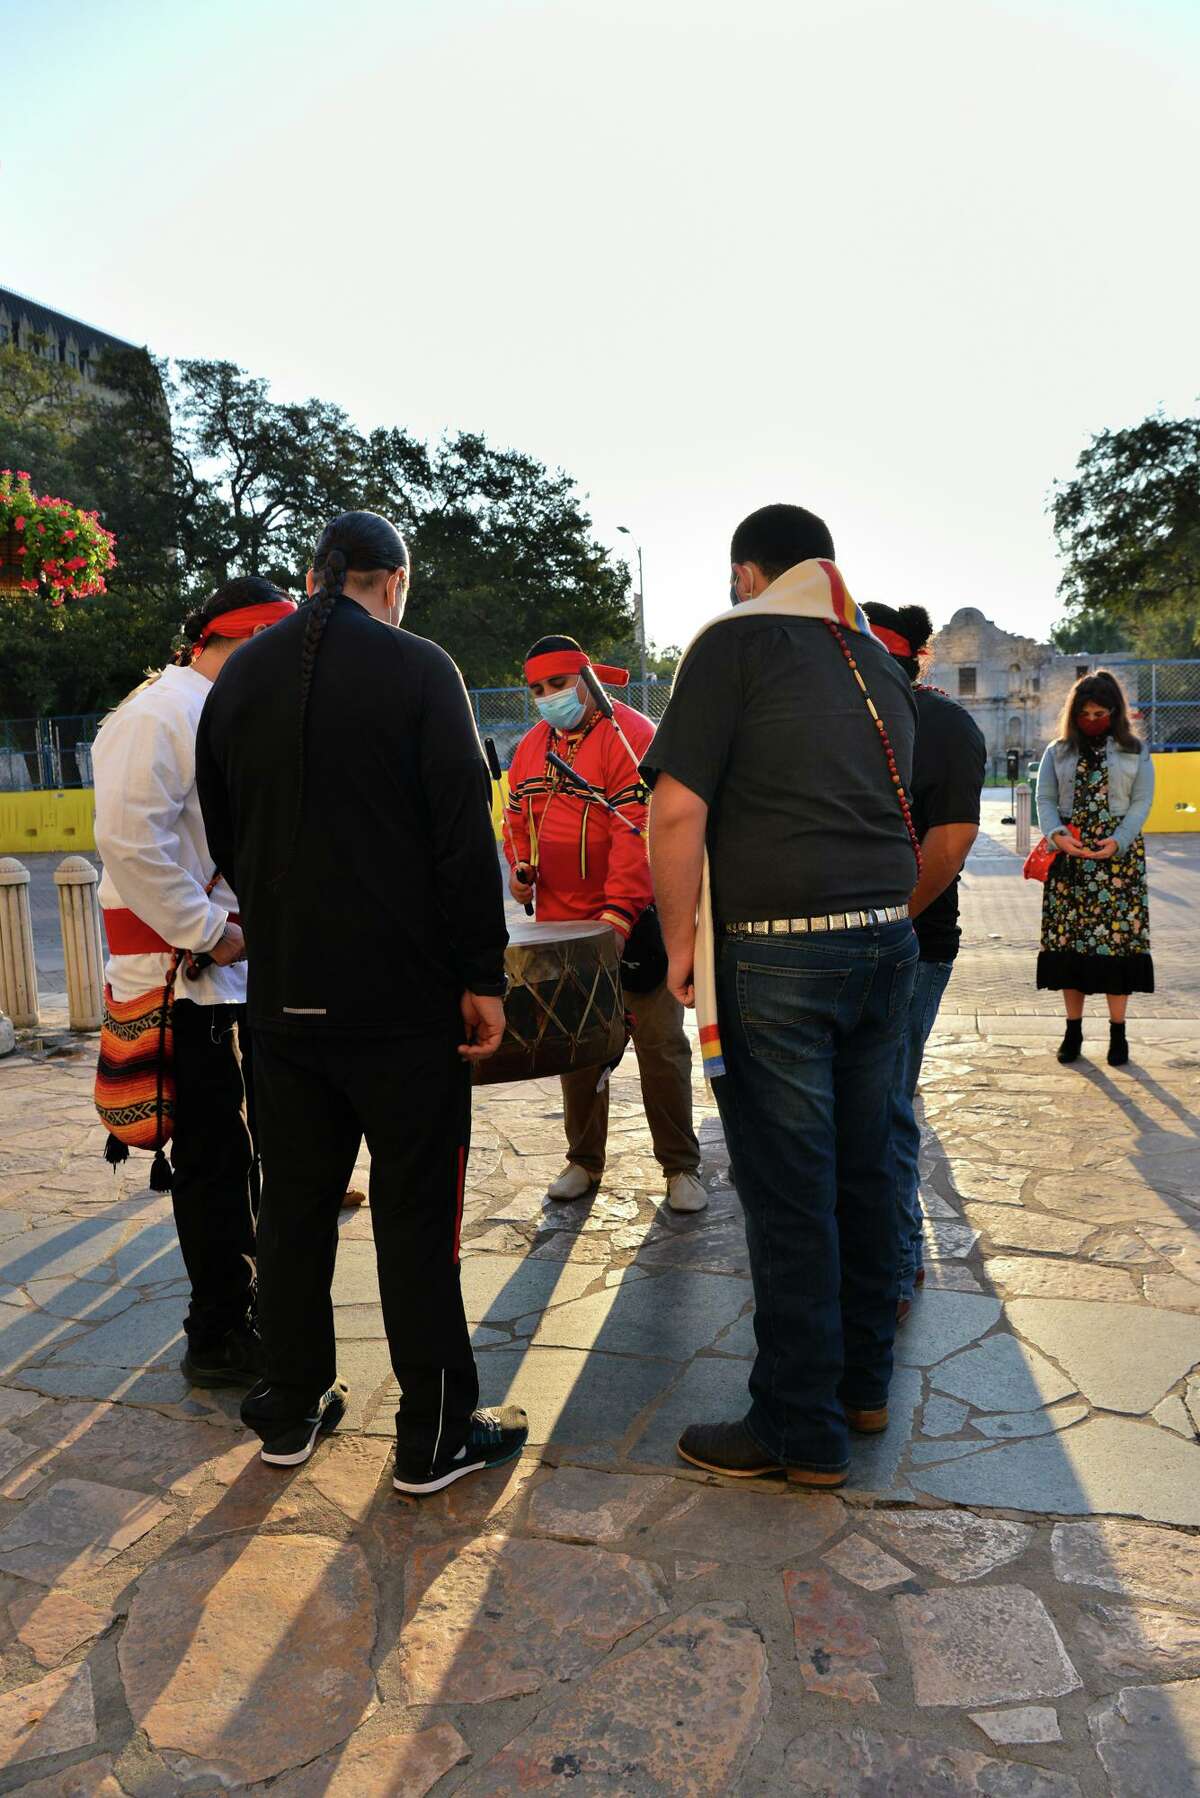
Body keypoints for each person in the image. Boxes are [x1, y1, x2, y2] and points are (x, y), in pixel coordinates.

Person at [196, 510, 528, 1491]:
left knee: (293, 1207)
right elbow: (463, 838)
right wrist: (483, 977)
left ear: (313, 577)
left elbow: (224, 826)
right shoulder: (420, 668)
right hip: (404, 1005)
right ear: (391, 580)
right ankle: (432, 1436)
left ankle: (289, 1407)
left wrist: (283, 917)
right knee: (415, 1212)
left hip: (284, 997)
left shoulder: (241, 677)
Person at [643, 503, 920, 1489]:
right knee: (867, 1170)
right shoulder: (875, 660)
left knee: (790, 1193)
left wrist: (679, 940)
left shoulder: (735, 644)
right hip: (886, 945)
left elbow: (675, 808)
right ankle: (862, 1386)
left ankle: (799, 1428)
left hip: (777, 957)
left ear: (748, 573)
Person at [93, 575, 297, 1388]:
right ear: (244, 643)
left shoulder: (211, 708)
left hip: (223, 972)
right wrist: (213, 932)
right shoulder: (157, 714)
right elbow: (131, 844)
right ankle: (216, 1331)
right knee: (212, 1161)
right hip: (186, 976)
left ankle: (242, 1306)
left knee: (237, 1152)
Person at [505, 635, 705, 1212]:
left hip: (634, 923)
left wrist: (616, 921)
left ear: (587, 681)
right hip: (562, 930)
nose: (548, 698)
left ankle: (680, 1166)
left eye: (558, 684)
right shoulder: (530, 748)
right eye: (538, 689)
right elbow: (516, 819)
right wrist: (522, 869)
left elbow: (637, 834)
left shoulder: (633, 736)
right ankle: (583, 1160)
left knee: (660, 1045)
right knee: (577, 1049)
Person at [863, 602, 986, 1324]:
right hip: (836, 941)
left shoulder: (942, 725)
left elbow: (951, 842)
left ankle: (898, 1259)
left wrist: (887, 920)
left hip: (912, 944)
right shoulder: (839, 721)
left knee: (884, 1103)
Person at [1036, 670, 1155, 1066]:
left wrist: (1119, 840)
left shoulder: (1134, 752)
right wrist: (1056, 834)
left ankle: (1118, 1035)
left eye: (1099, 713)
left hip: (1118, 863)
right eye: (1084, 713)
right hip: (1071, 857)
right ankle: (1073, 1031)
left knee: (1117, 949)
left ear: (1115, 712)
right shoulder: (1058, 751)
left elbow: (1141, 802)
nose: (1091, 720)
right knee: (1071, 948)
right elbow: (1046, 798)